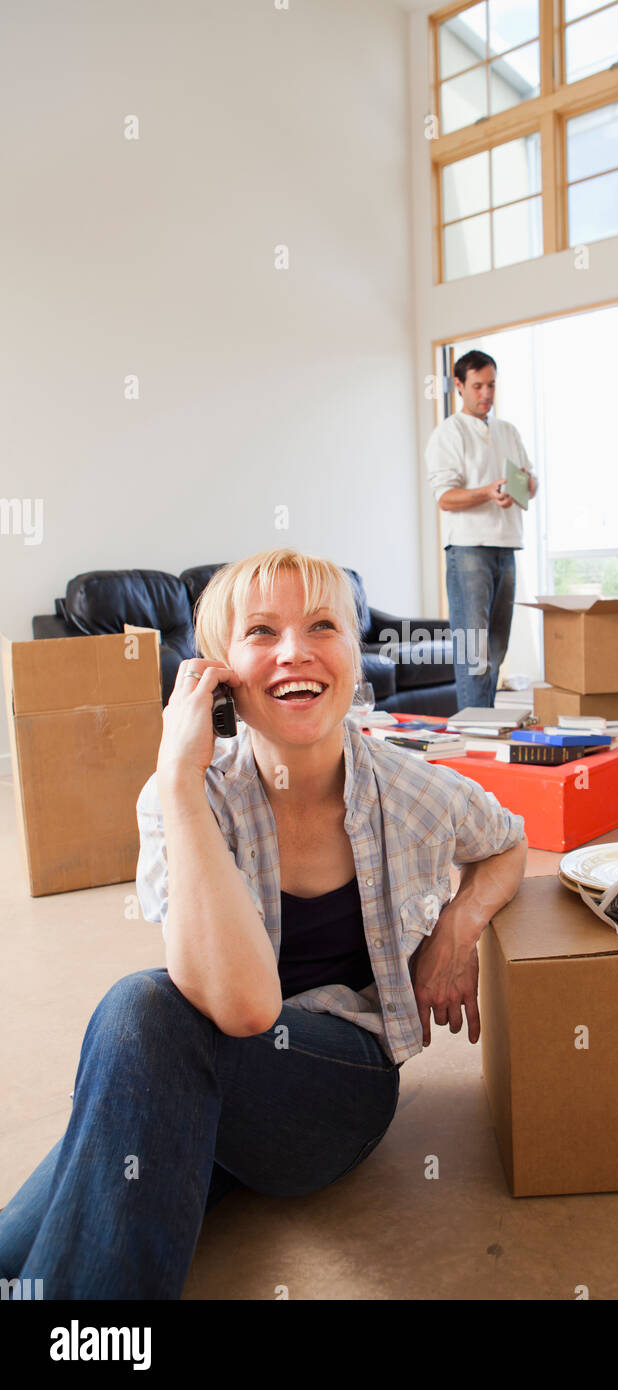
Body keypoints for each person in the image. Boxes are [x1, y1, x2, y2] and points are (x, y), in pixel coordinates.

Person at [0, 547, 527, 1300]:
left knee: (144, 1011)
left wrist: (458, 923)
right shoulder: (182, 800)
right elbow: (237, 1000)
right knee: (26, 1242)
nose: (295, 651)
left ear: (354, 652)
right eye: (260, 633)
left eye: (322, 625)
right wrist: (181, 780)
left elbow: (508, 839)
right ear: (214, 679)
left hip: (335, 1093)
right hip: (200, 1070)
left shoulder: (412, 791)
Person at [426, 350, 539, 710]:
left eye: (491, 385)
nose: (486, 393)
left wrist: (518, 489)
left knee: (495, 649)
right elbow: (445, 497)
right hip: (469, 549)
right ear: (459, 386)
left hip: (506, 546)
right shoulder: (449, 433)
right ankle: (474, 730)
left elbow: (529, 482)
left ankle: (483, 725)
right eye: (477, 386)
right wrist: (487, 491)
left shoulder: (508, 431)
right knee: (474, 650)